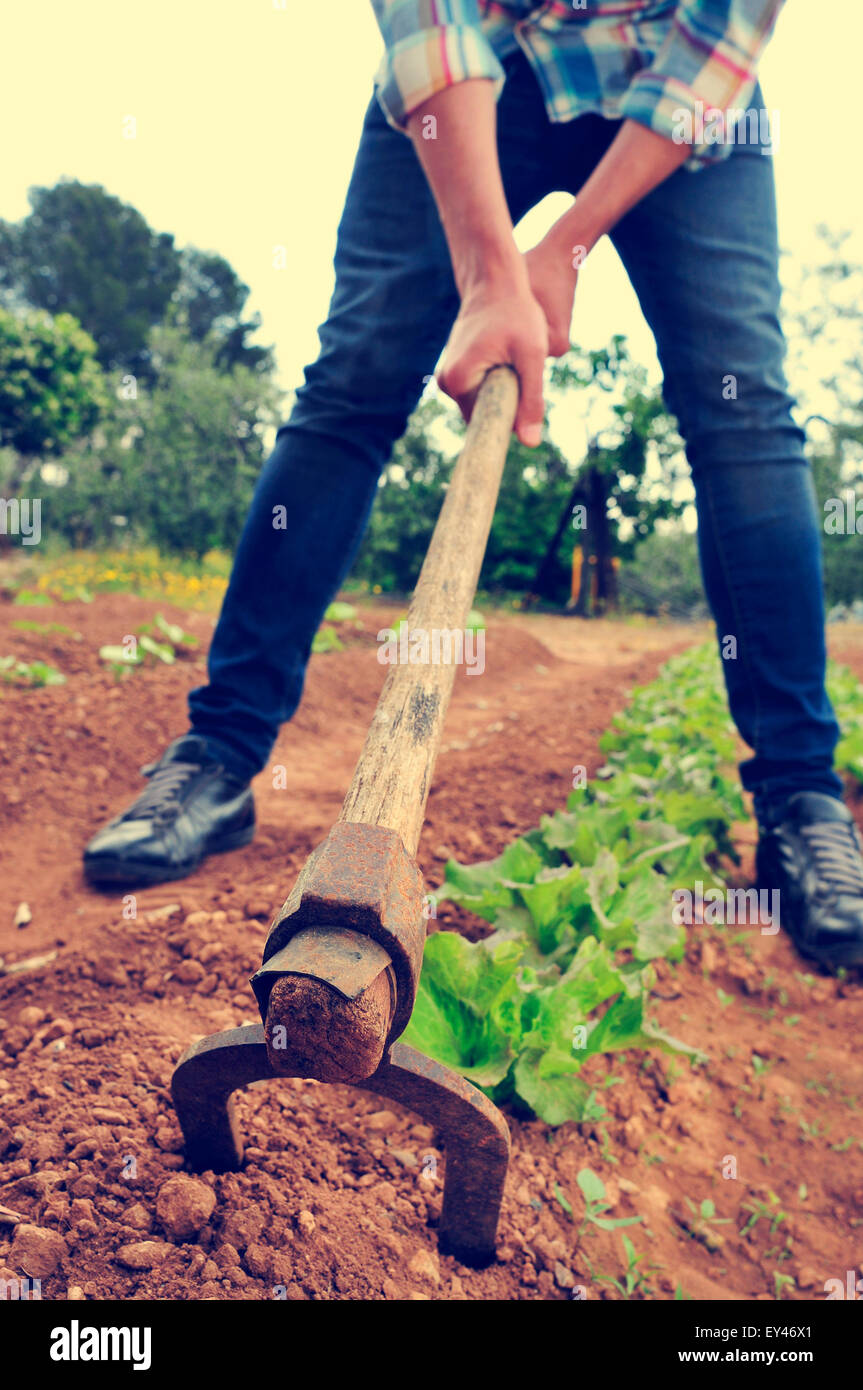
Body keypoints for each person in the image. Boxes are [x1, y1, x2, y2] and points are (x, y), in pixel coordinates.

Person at [83, 0, 863, 970]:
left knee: (742, 409)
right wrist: (490, 272)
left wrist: (565, 248)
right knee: (354, 378)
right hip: (469, 68)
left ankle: (799, 796)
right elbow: (428, 25)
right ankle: (219, 753)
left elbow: (719, 43)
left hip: (675, 89)